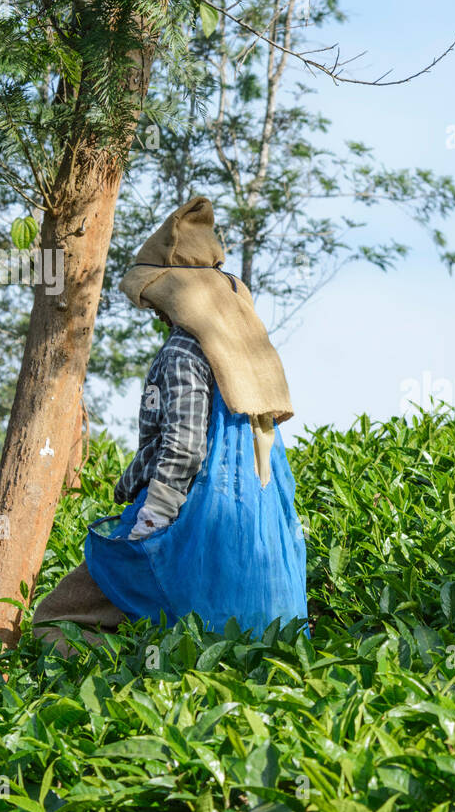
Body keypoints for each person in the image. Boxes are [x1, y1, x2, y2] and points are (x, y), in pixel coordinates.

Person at [31, 196, 307, 655]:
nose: (155, 310)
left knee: (55, 621)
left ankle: (113, 691)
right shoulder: (246, 357)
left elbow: (182, 448)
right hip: (249, 529)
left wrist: (150, 521)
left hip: (183, 523)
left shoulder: (182, 352)